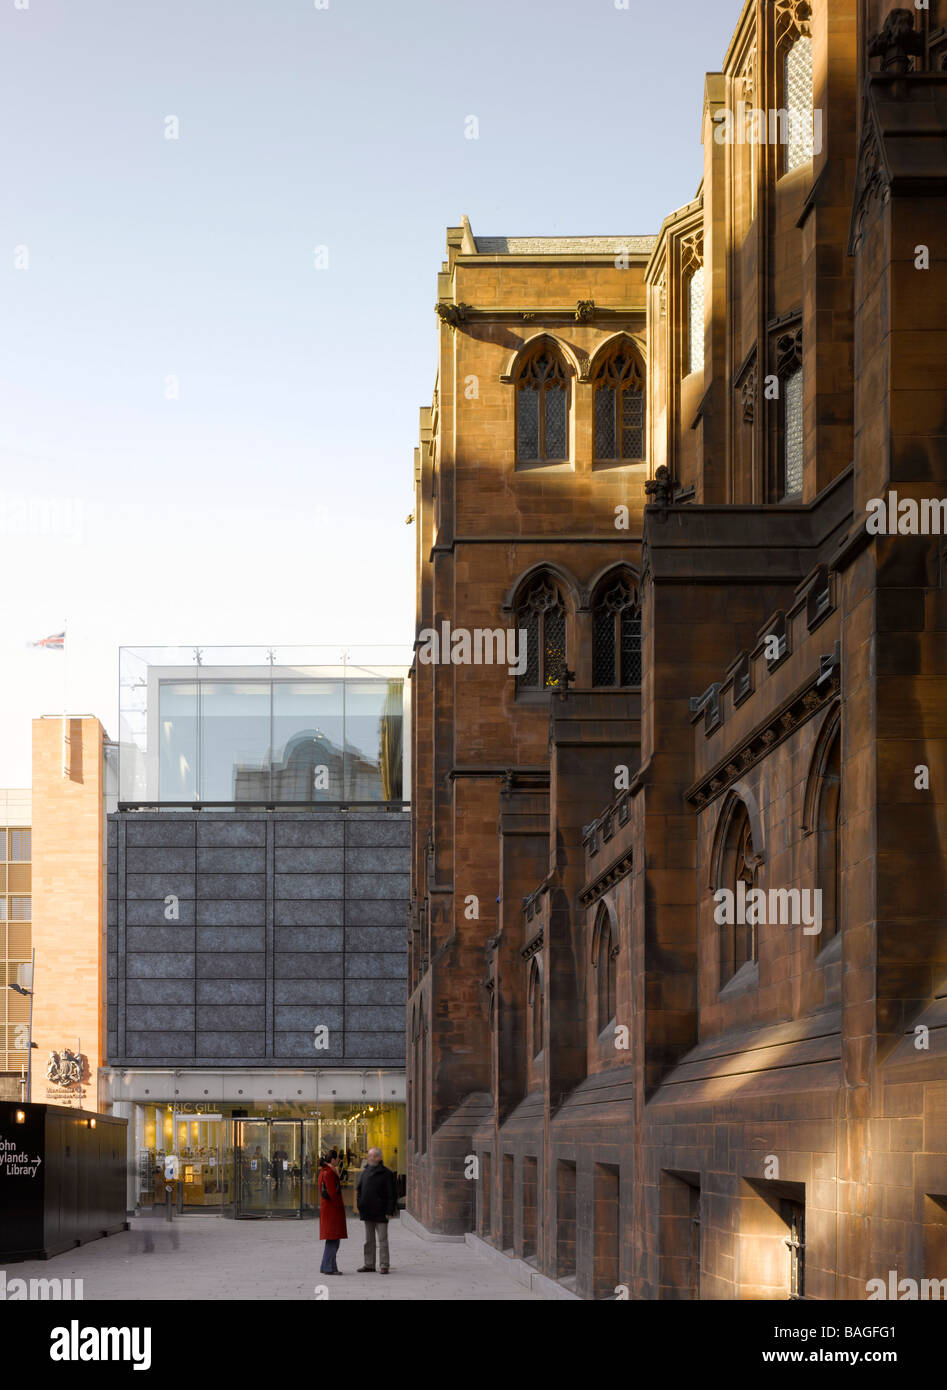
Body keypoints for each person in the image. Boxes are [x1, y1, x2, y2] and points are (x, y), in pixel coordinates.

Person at [355, 1147, 398, 1274]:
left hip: (381, 1212)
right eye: (369, 1156)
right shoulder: (365, 1171)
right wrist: (360, 1204)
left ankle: (384, 1265)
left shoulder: (387, 1174)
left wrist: (389, 1211)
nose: (371, 1158)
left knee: (382, 1240)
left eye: (374, 1156)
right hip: (367, 1212)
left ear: (380, 1158)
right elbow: (359, 1189)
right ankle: (369, 1264)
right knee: (369, 1240)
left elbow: (392, 1194)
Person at [318, 1154, 347, 1275]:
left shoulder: (324, 1172)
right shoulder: (330, 1173)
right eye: (337, 1159)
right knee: (333, 1240)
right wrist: (339, 1206)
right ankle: (328, 1267)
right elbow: (332, 1193)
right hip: (332, 1210)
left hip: (329, 1210)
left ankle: (328, 1266)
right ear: (333, 1160)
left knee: (333, 1239)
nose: (339, 1160)